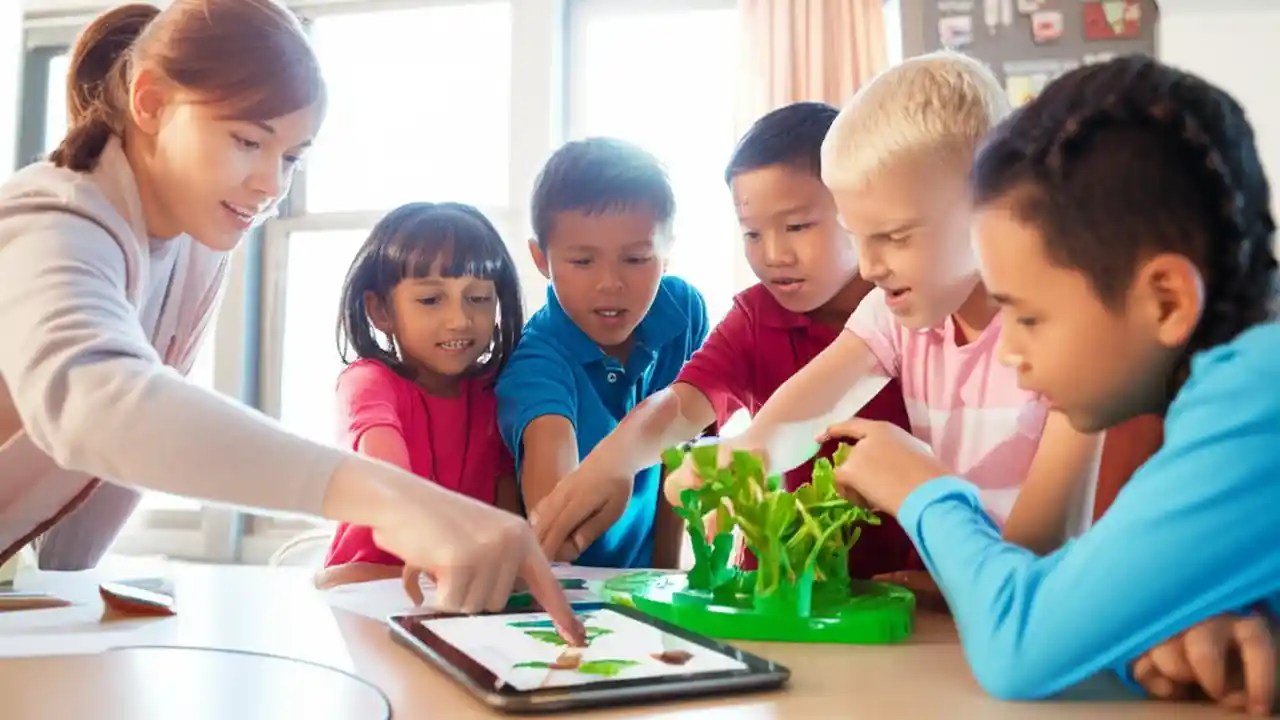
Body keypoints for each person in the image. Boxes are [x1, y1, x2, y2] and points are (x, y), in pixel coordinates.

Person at [0, 0, 579, 641]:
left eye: (292, 157)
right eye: (247, 140)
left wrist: (67, 582)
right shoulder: (54, 215)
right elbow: (98, 405)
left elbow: (107, 461)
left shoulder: (195, 236)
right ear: (151, 102)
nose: (269, 184)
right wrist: (394, 499)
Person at [822, 55, 1280, 713]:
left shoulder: (1256, 399)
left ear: (1167, 300)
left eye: (1030, 316)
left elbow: (1020, 648)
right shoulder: (1223, 396)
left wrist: (925, 493)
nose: (1009, 350)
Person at [668, 52, 1102, 560]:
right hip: (967, 598)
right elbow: (797, 417)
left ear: (992, 202)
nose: (870, 267)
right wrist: (737, 459)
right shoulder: (892, 315)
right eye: (857, 237)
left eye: (894, 237)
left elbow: (1037, 554)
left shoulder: (1068, 336)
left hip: (1035, 608)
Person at [531, 102, 921, 580]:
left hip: (921, 590)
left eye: (797, 227)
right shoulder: (755, 317)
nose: (774, 255)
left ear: (858, 210)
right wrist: (612, 465)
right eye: (752, 233)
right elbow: (681, 402)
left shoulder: (915, 309)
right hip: (783, 590)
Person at [496, 138, 708, 569]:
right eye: (582, 261)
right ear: (541, 258)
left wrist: (666, 575)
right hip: (566, 591)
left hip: (645, 589)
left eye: (635, 258)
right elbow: (553, 519)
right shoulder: (537, 360)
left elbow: (681, 453)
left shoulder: (683, 313)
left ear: (666, 254)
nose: (610, 283)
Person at [318, 202, 524, 586]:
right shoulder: (367, 382)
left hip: (456, 593)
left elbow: (506, 521)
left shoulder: (497, 394)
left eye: (478, 298)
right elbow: (391, 479)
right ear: (380, 311)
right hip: (366, 584)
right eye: (431, 300)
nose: (460, 320)